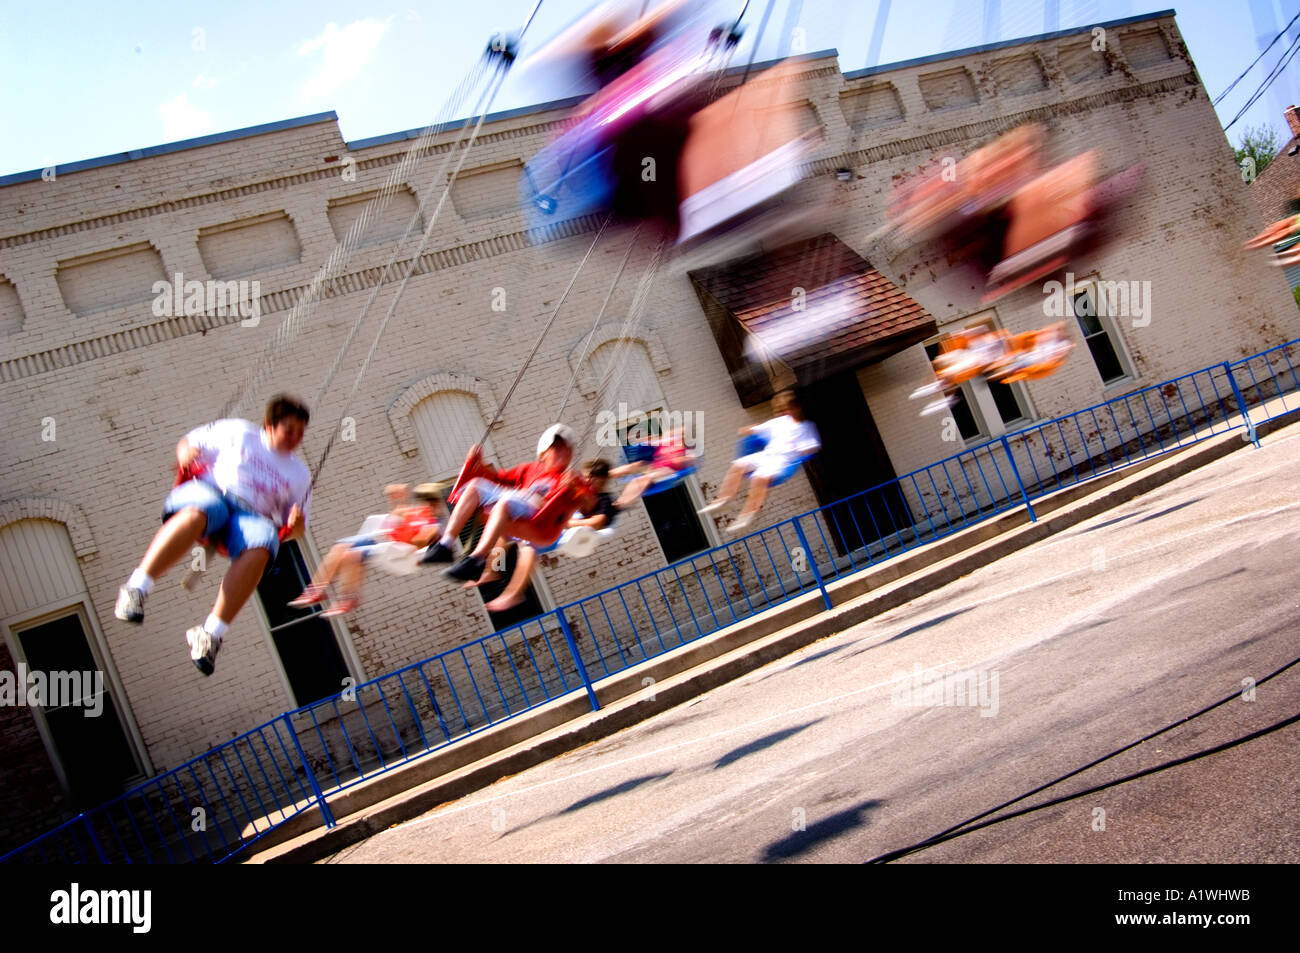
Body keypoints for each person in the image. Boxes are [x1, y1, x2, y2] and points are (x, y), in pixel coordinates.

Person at [114, 395, 312, 676]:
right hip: (211, 492)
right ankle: (136, 588)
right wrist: (185, 454)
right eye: (289, 430)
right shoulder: (240, 432)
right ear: (269, 425)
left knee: (263, 543)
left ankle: (210, 634)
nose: (295, 438)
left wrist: (296, 525)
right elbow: (188, 443)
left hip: (249, 517)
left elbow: (296, 531)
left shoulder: (298, 474)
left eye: (301, 433)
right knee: (201, 511)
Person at [422, 424, 597, 582]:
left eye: (567, 448)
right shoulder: (530, 469)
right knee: (476, 486)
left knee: (505, 502)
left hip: (542, 520)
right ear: (543, 453)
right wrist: (478, 464)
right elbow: (496, 479)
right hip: (519, 504)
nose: (563, 451)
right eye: (557, 447)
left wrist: (580, 489)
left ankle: (476, 560)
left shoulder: (572, 479)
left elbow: (591, 506)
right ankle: (445, 545)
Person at [468, 459, 625, 613]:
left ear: (602, 480)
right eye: (585, 477)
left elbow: (597, 522)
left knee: (529, 546)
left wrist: (568, 523)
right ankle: (494, 568)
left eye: (592, 478)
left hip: (570, 534)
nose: (587, 481)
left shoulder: (603, 499)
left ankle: (514, 593)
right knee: (505, 533)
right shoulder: (579, 492)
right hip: (555, 524)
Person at [288, 482, 446, 617]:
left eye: (430, 503)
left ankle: (348, 598)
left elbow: (418, 543)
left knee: (352, 555)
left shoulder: (433, 524)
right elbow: (396, 516)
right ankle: (316, 589)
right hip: (385, 543)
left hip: (402, 555)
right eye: (424, 501)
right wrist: (397, 499)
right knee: (340, 547)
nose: (426, 506)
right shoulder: (416, 512)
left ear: (436, 504)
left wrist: (406, 531)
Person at [698, 390, 820, 535]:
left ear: (795, 409)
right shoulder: (777, 423)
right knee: (739, 464)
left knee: (760, 477)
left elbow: (812, 446)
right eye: (778, 411)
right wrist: (748, 430)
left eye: (785, 410)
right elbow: (758, 429)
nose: (781, 414)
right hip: (766, 455)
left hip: (784, 461)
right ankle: (725, 499)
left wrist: (802, 449)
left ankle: (747, 515)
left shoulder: (804, 428)